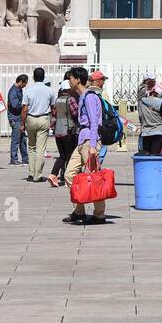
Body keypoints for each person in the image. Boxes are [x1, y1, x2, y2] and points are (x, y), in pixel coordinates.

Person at [63, 67, 112, 223]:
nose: (69, 81)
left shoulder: (90, 97)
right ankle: (79, 210)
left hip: (89, 141)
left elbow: (94, 123)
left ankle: (99, 214)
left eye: (70, 78)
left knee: (94, 177)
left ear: (77, 79)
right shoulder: (83, 96)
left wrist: (92, 146)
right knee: (69, 174)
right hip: (82, 140)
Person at [21, 67, 56, 182]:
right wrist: (53, 119)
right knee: (41, 148)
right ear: (43, 76)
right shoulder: (49, 90)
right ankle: (38, 175)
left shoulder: (28, 90)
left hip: (31, 119)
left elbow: (25, 109)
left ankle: (31, 173)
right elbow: (53, 107)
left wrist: (22, 123)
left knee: (31, 147)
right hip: (44, 118)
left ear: (34, 77)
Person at [49, 85, 79, 186]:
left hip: (58, 131)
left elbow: (53, 117)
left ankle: (53, 175)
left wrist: (52, 127)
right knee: (70, 155)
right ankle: (69, 179)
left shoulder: (57, 101)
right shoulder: (71, 100)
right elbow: (76, 113)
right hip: (68, 131)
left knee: (62, 156)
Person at [137, 78, 162, 156]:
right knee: (155, 156)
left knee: (147, 156)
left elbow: (140, 116)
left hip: (146, 133)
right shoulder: (160, 102)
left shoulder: (141, 101)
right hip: (159, 132)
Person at [6, 73, 28, 167]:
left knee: (23, 139)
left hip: (20, 118)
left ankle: (25, 158)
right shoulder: (13, 92)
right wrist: (25, 105)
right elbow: (15, 106)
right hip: (15, 118)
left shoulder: (18, 90)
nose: (25, 86)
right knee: (16, 139)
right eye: (25, 83)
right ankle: (13, 159)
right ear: (20, 82)